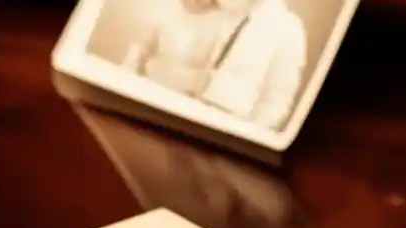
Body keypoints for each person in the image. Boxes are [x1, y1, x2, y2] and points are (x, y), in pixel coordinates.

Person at [119, 0, 308, 132]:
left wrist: (244, 136)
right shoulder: (188, 6)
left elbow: (277, 100)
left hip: (222, 135)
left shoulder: (289, 29)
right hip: (152, 113)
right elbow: (139, 56)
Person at [199, 0, 308, 132]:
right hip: (188, 106)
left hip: (229, 125)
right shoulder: (220, 7)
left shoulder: (289, 28)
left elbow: (278, 98)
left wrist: (248, 133)